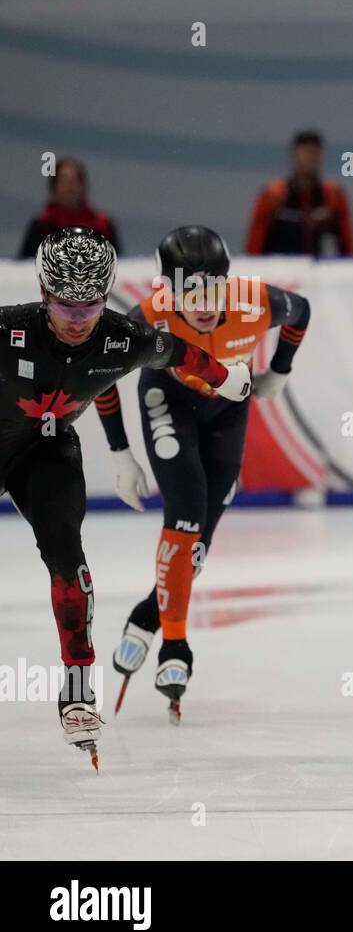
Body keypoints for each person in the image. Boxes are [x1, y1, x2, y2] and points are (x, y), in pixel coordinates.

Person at [0, 228, 251, 768]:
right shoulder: (7, 328)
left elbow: (178, 352)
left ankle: (77, 688)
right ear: (44, 293)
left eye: (89, 304)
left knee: (68, 558)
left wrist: (225, 377)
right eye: (65, 304)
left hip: (48, 453)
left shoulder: (121, 336)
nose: (76, 318)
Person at [103, 226, 312, 723]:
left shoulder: (253, 301)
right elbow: (102, 372)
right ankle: (175, 646)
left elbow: (300, 310)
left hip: (227, 409)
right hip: (167, 401)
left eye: (210, 289)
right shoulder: (149, 316)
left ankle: (146, 615)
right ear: (165, 290)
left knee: (196, 542)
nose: (199, 303)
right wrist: (119, 452)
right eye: (185, 292)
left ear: (228, 283)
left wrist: (280, 369)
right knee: (187, 508)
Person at [245, 130, 353, 256]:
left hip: (322, 272)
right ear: (294, 155)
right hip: (279, 271)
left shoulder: (334, 197)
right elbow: (253, 250)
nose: (310, 157)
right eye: (305, 151)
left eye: (315, 152)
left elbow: (349, 251)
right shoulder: (273, 196)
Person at [18, 157, 120, 258]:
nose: (69, 187)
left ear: (83, 186)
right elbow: (25, 266)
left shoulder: (102, 226)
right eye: (64, 181)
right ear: (54, 187)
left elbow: (119, 264)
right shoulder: (41, 226)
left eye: (73, 181)